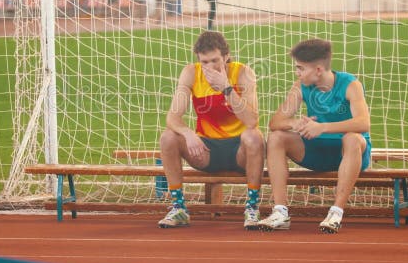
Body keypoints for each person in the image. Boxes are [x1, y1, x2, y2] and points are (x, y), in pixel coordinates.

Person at [257, 39, 372, 234]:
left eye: (301, 68)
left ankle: (335, 213)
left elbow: (363, 123)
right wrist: (294, 123)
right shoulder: (300, 86)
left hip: (349, 153)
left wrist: (323, 127)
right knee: (276, 137)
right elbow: (275, 121)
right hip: (316, 151)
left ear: (318, 70)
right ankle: (280, 211)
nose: (297, 72)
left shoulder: (350, 84)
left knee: (352, 138)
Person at [158, 31, 265, 230]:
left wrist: (226, 88)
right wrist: (189, 134)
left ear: (225, 56)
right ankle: (179, 208)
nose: (210, 67)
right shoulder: (191, 73)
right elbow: (172, 117)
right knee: (168, 137)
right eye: (204, 62)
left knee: (255, 136)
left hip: (239, 150)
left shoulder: (243, 73)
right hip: (206, 150)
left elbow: (252, 121)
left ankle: (252, 207)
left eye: (215, 60)